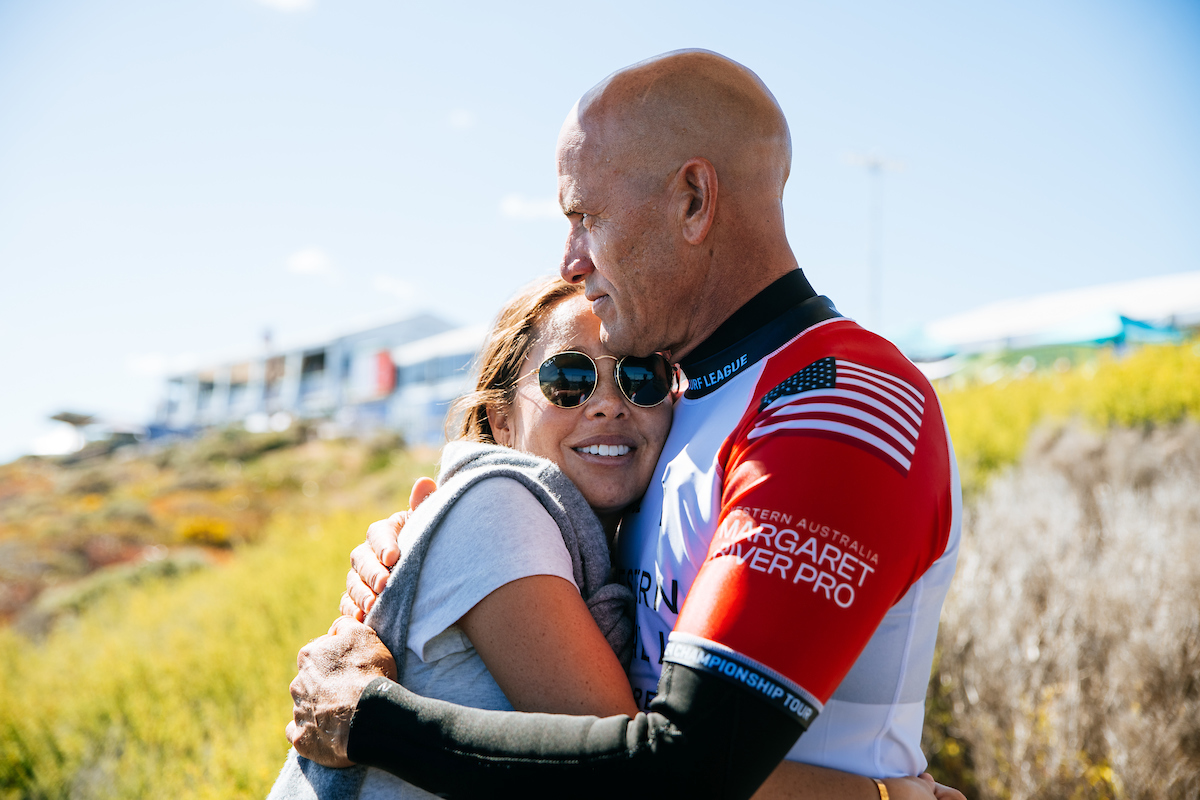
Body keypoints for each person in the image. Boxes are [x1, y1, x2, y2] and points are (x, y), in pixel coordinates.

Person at [289, 49, 963, 800]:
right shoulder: (685, 400)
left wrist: (371, 723)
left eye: (585, 216)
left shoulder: (836, 401)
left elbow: (682, 772)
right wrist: (420, 541)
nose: (571, 260)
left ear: (693, 200)